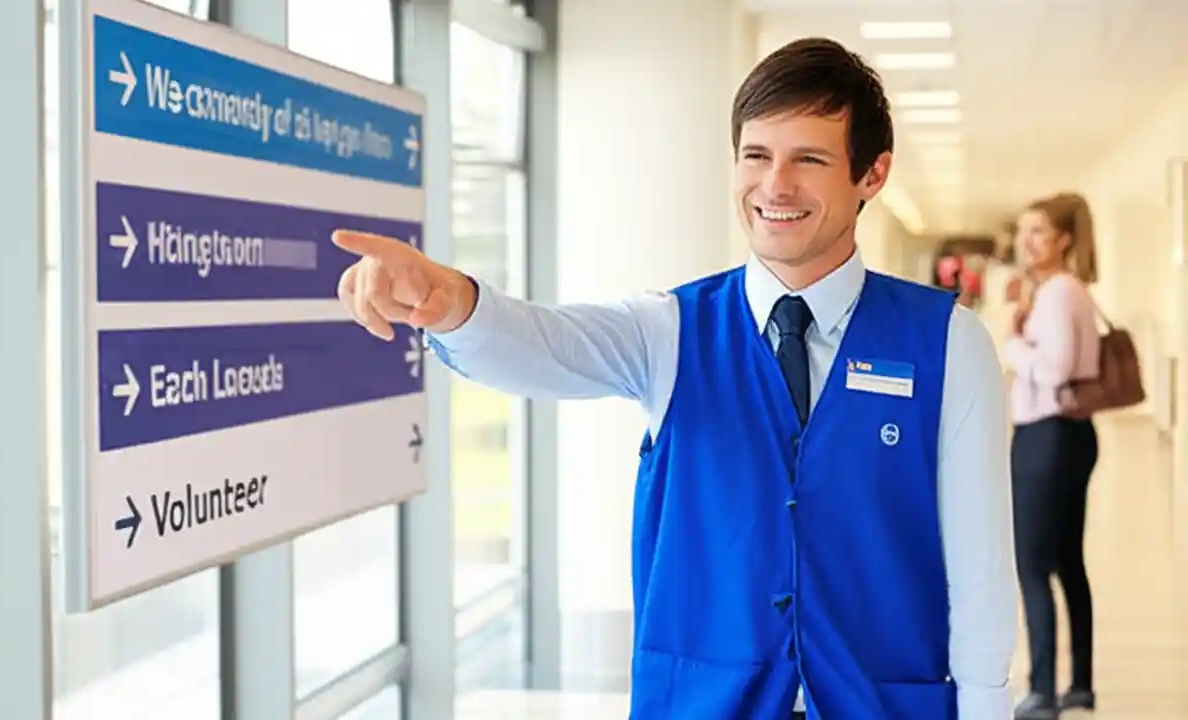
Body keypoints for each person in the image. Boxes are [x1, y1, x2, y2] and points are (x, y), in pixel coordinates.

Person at [333, 37, 1017, 719]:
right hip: (704, 702)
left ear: (872, 174)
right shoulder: (671, 331)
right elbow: (545, 345)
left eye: (808, 159)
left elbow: (980, 571)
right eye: (756, 156)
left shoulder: (947, 344)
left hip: (884, 703)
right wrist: (450, 301)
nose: (775, 185)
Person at [1004, 193, 1102, 719]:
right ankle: (1079, 685)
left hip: (1047, 438)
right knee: (1067, 563)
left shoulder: (1060, 292)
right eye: (1023, 231)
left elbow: (1056, 367)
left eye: (1038, 231)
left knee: (1033, 562)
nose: (1026, 241)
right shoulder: (1061, 290)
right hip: (1069, 436)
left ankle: (1041, 689)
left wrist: (1011, 344)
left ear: (1063, 239)